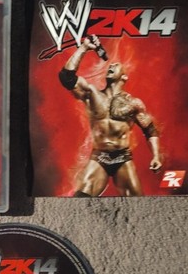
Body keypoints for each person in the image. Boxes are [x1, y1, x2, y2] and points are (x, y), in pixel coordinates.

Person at [59, 36, 162, 196]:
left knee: (136, 200)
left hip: (123, 157)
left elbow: (150, 130)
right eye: (110, 66)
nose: (111, 66)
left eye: (116, 65)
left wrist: (156, 156)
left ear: (124, 77)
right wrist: (84, 48)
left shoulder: (133, 103)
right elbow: (66, 77)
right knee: (81, 196)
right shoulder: (91, 93)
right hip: (99, 157)